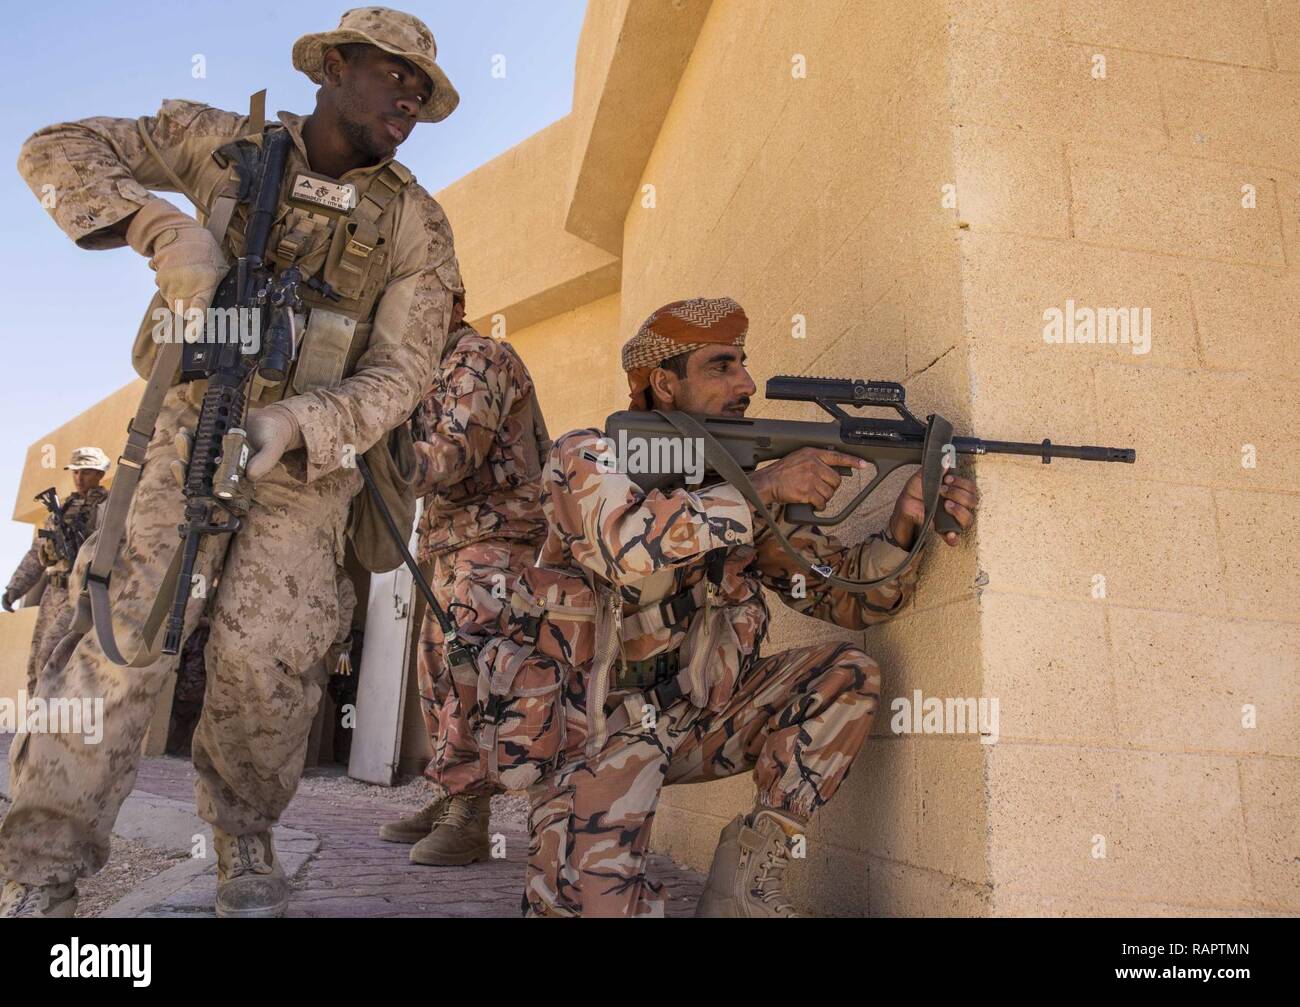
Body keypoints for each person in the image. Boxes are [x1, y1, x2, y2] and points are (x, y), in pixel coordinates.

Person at [0, 7, 463, 919]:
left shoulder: (417, 223)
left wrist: (298, 421)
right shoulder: (219, 142)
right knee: (121, 642)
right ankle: (42, 867)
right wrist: (159, 227)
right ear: (332, 66)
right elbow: (54, 146)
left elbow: (406, 370)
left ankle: (245, 842)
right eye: (392, 74)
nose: (408, 98)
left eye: (423, 89)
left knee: (271, 660)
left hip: (309, 465)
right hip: (183, 429)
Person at [481, 296, 980, 917]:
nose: (745, 383)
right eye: (721, 366)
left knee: (847, 675)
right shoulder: (587, 456)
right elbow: (624, 548)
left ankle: (740, 889)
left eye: (743, 363)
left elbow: (841, 594)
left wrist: (905, 524)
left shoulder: (741, 483)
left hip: (701, 716)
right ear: (664, 382)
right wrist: (764, 489)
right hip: (597, 731)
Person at [377, 290, 549, 866]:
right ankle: (452, 792)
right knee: (437, 671)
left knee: (469, 668)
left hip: (499, 540)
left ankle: (471, 816)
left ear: (452, 304)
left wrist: (375, 454)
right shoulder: (428, 372)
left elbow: (456, 451)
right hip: (454, 540)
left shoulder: (476, 358)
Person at [2, 447, 110, 694]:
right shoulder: (60, 511)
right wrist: (15, 588)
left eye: (87, 472)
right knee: (35, 662)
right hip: (53, 593)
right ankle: (35, 723)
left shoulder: (110, 507)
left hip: (83, 593)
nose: (79, 478)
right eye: (76, 472)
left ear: (100, 474)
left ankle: (55, 719)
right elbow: (35, 555)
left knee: (53, 656)